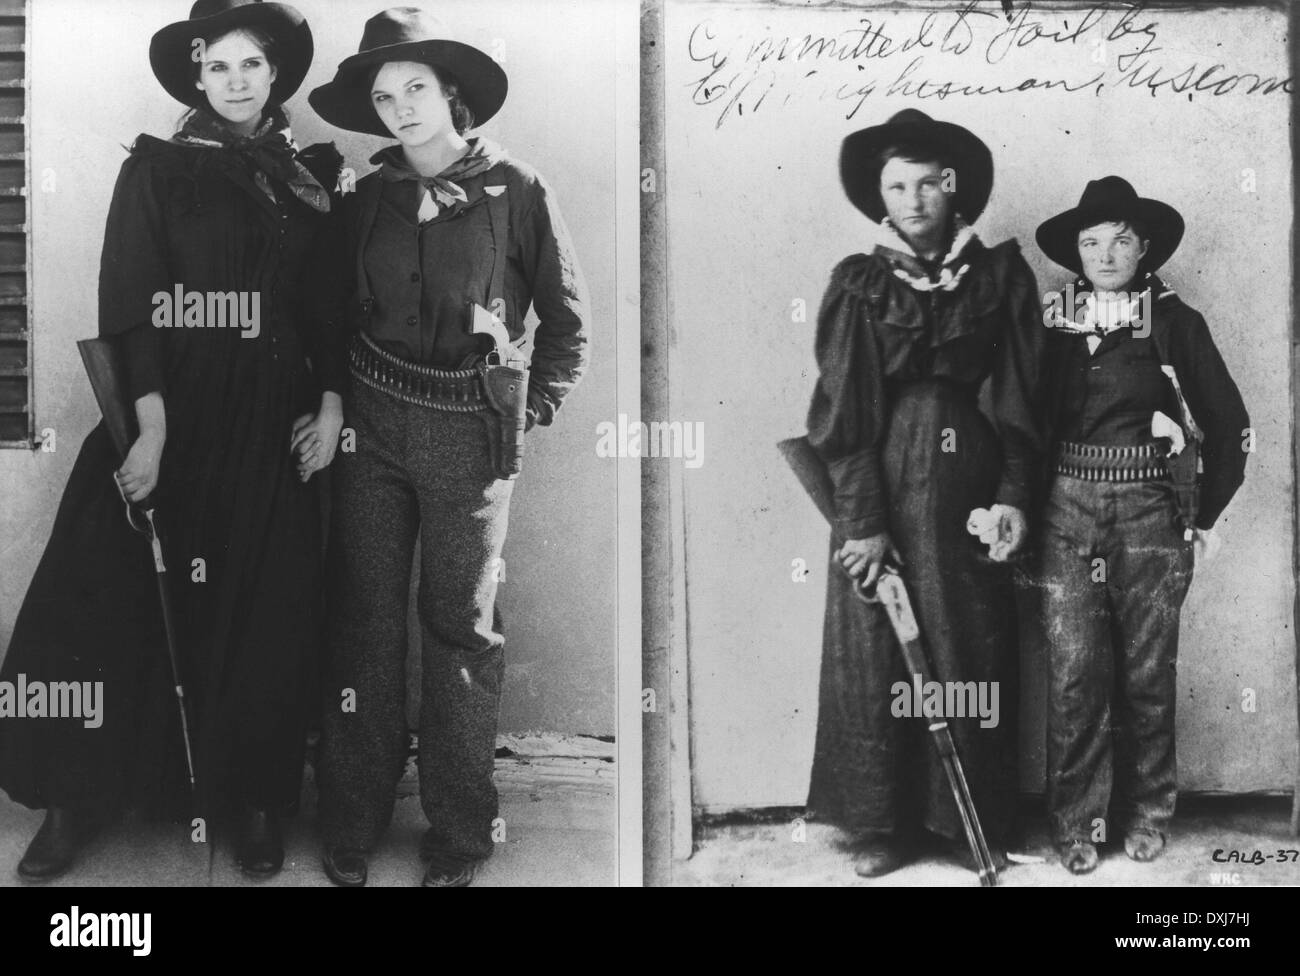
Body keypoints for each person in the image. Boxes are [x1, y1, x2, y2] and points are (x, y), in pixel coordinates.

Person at [0, 0, 345, 880]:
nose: (236, 81)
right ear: (197, 76)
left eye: (252, 67)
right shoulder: (157, 172)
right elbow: (129, 299)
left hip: (273, 422)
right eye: (218, 66)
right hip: (174, 410)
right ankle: (76, 803)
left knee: (267, 608)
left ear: (276, 78)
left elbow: (330, 306)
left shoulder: (308, 177)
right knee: (106, 601)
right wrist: (148, 431)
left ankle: (255, 801)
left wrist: (332, 405)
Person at [307, 7, 589, 888]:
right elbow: (326, 311)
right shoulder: (365, 197)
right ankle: (351, 819)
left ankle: (462, 834)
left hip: (471, 435)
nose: (399, 108)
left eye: (415, 89)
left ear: (453, 94)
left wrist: (524, 410)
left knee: (462, 632)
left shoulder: (519, 189)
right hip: (370, 427)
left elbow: (568, 325)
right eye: (384, 96)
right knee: (364, 621)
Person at [805, 109, 1046, 878]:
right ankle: (883, 824)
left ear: (955, 189)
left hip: (969, 479)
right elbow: (843, 416)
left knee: (966, 643)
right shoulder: (862, 283)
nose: (912, 200)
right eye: (895, 186)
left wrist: (1012, 494)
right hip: (881, 475)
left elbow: (1022, 397)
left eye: (927, 184)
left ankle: (962, 817)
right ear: (880, 199)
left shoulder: (1000, 277)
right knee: (881, 645)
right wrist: (864, 523)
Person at [1034, 176, 1249, 874]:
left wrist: (1203, 514)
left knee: (1147, 674)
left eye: (1121, 237)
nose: (1105, 252)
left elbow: (1229, 425)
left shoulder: (1176, 322)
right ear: (1075, 250)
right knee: (1074, 674)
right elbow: (1021, 421)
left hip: (1150, 513)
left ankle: (1148, 812)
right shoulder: (1053, 323)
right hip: (1066, 508)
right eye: (1091, 240)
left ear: (1145, 246)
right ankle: (1077, 823)